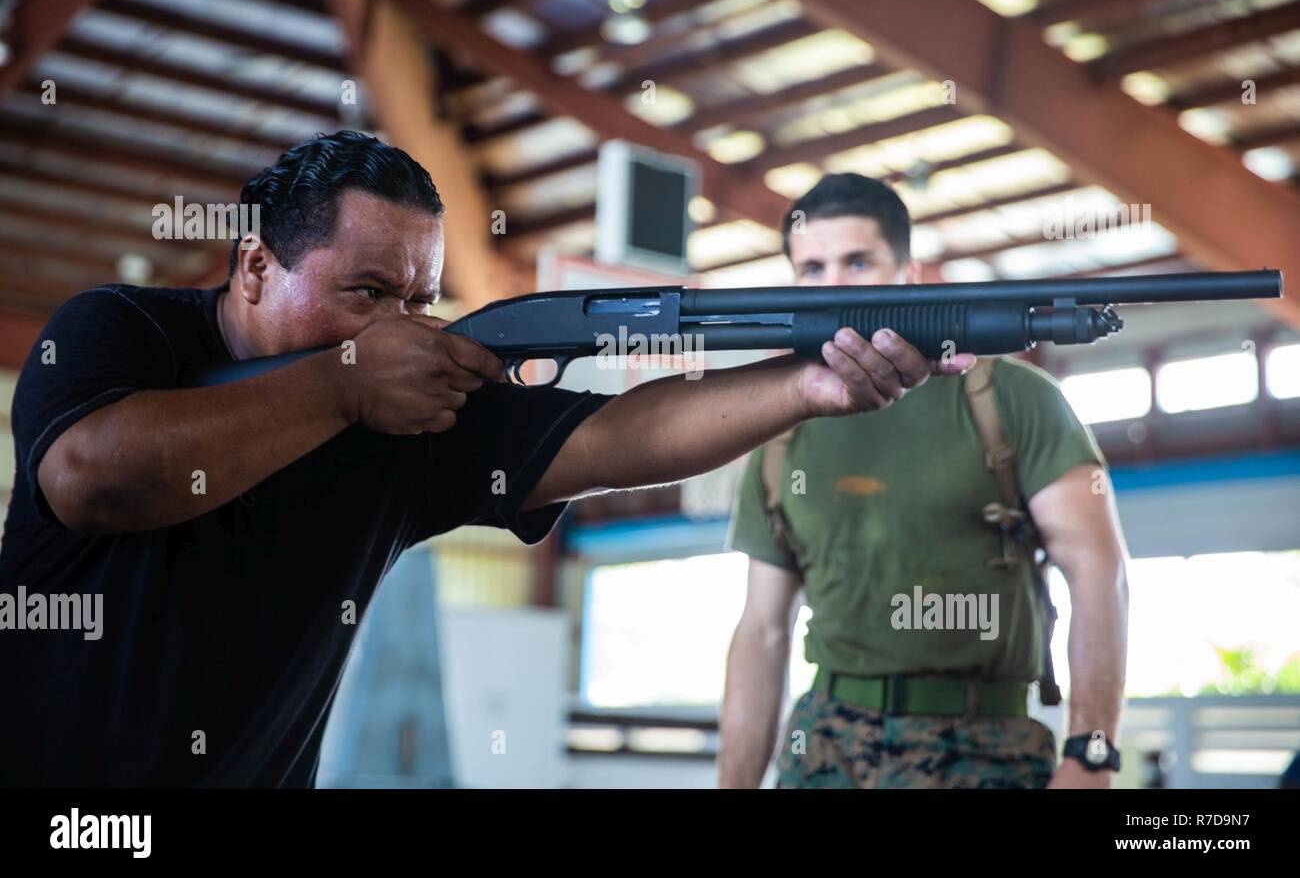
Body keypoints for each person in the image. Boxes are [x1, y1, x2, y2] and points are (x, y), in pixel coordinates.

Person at [0, 133, 966, 787]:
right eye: (367, 293)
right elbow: (90, 477)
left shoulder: (408, 414)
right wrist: (340, 381)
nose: (403, 330)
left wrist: (807, 385)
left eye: (419, 299)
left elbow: (619, 437)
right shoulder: (118, 330)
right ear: (255, 267)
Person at [719, 173, 1130, 789]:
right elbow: (762, 629)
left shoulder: (1012, 397)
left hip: (986, 750)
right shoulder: (781, 429)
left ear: (909, 274)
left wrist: (1092, 753)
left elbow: (1099, 574)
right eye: (812, 268)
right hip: (827, 747)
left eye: (857, 262)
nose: (833, 286)